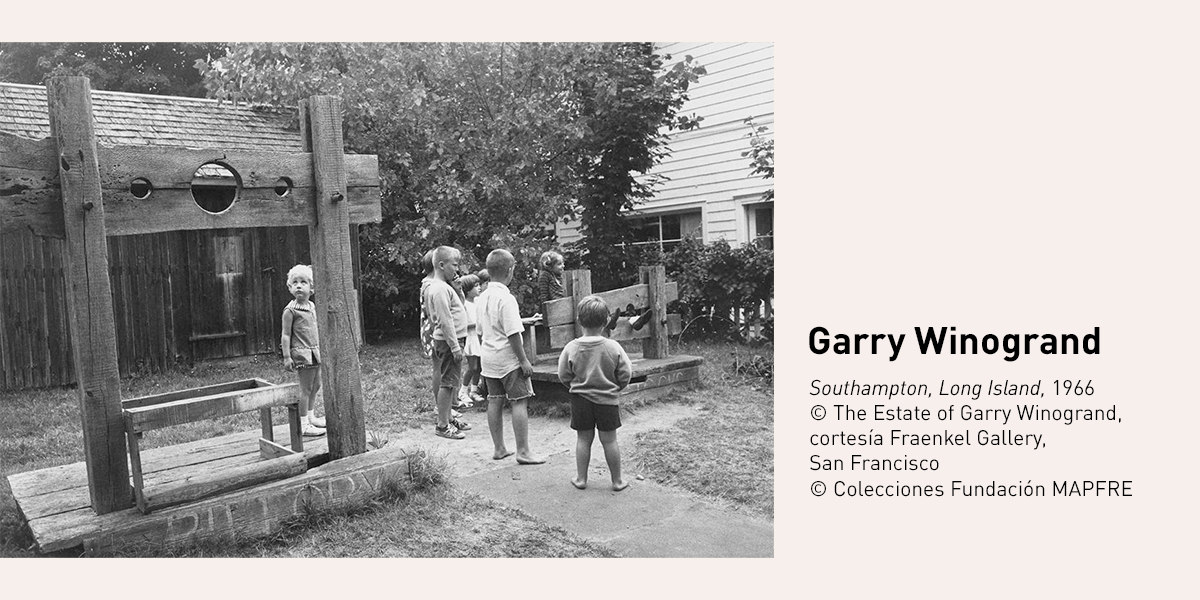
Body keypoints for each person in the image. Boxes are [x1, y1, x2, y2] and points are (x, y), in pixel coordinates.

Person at [557, 295, 633, 491]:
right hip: (607, 400)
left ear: (579, 320)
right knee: (610, 440)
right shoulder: (612, 347)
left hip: (580, 400)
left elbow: (563, 374)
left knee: (583, 439)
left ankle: (581, 479)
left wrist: (575, 387)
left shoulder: (571, 348)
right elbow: (626, 372)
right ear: (606, 320)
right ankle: (617, 481)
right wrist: (617, 386)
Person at [478, 248, 546, 464]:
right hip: (508, 360)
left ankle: (499, 448)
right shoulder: (506, 299)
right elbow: (513, 334)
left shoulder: (482, 297)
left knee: (494, 400)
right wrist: (524, 360)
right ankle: (523, 451)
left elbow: (481, 330)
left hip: (488, 357)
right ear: (510, 270)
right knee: (519, 401)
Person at [423, 245, 472, 439]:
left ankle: (449, 419)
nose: (457, 269)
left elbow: (457, 309)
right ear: (441, 265)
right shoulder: (439, 289)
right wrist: (454, 346)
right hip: (448, 342)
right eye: (454, 264)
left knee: (452, 382)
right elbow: (444, 320)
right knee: (447, 383)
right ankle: (442, 425)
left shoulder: (445, 287)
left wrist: (459, 291)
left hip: (454, 340)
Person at [281, 264, 326, 437]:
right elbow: (285, 335)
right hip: (302, 353)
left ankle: (311, 416)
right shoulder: (290, 310)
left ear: (312, 287)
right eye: (295, 282)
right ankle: (303, 424)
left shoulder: (312, 307)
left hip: (315, 352)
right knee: (305, 389)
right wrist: (287, 357)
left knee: (316, 386)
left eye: (304, 282)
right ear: (290, 287)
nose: (299, 285)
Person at [456, 273, 485, 407]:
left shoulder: (478, 302)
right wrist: (477, 324)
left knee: (479, 366)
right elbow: (464, 325)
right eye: (476, 286)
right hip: (471, 338)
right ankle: (463, 391)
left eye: (479, 285)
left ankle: (474, 390)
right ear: (467, 290)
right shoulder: (465, 305)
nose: (479, 288)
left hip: (480, 337)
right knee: (472, 366)